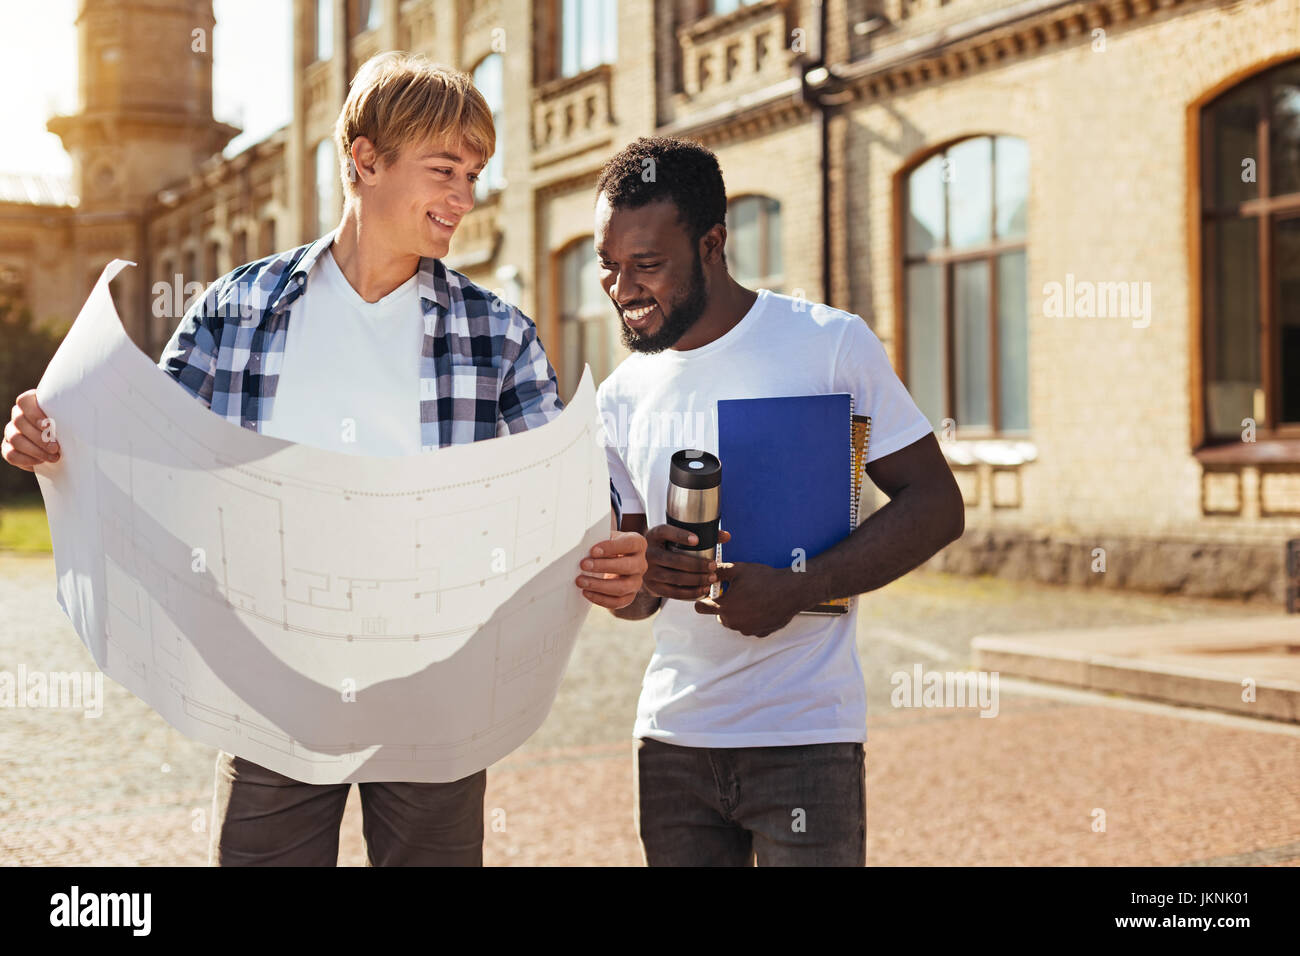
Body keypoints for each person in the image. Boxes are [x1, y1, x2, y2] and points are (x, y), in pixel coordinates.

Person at [2, 52, 647, 867]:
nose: (464, 197)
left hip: (438, 690)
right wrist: (52, 443)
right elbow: (145, 451)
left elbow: (563, 495)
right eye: (444, 169)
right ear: (365, 160)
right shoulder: (237, 310)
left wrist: (617, 541)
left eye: (475, 174)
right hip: (272, 687)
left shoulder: (499, 335)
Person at [593, 136, 964, 866]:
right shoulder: (618, 397)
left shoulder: (827, 346)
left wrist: (803, 587)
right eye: (607, 266)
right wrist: (642, 580)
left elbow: (936, 504)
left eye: (646, 265)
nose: (622, 288)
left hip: (804, 738)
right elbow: (634, 598)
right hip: (672, 744)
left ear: (711, 244)